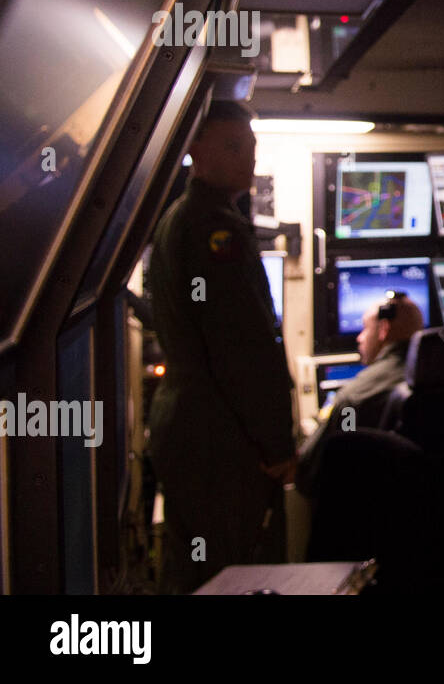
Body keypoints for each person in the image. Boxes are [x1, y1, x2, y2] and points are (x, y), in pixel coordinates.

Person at [146, 99, 296, 593]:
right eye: (233, 146)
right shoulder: (216, 232)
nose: (248, 158)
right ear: (195, 150)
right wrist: (276, 444)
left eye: (251, 147)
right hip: (221, 438)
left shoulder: (178, 219)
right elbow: (243, 350)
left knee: (191, 569)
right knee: (231, 576)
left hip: (190, 429)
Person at [296, 290, 425, 500]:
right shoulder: (440, 382)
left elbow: (309, 473)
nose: (359, 337)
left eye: (365, 329)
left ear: (383, 330)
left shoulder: (352, 398)